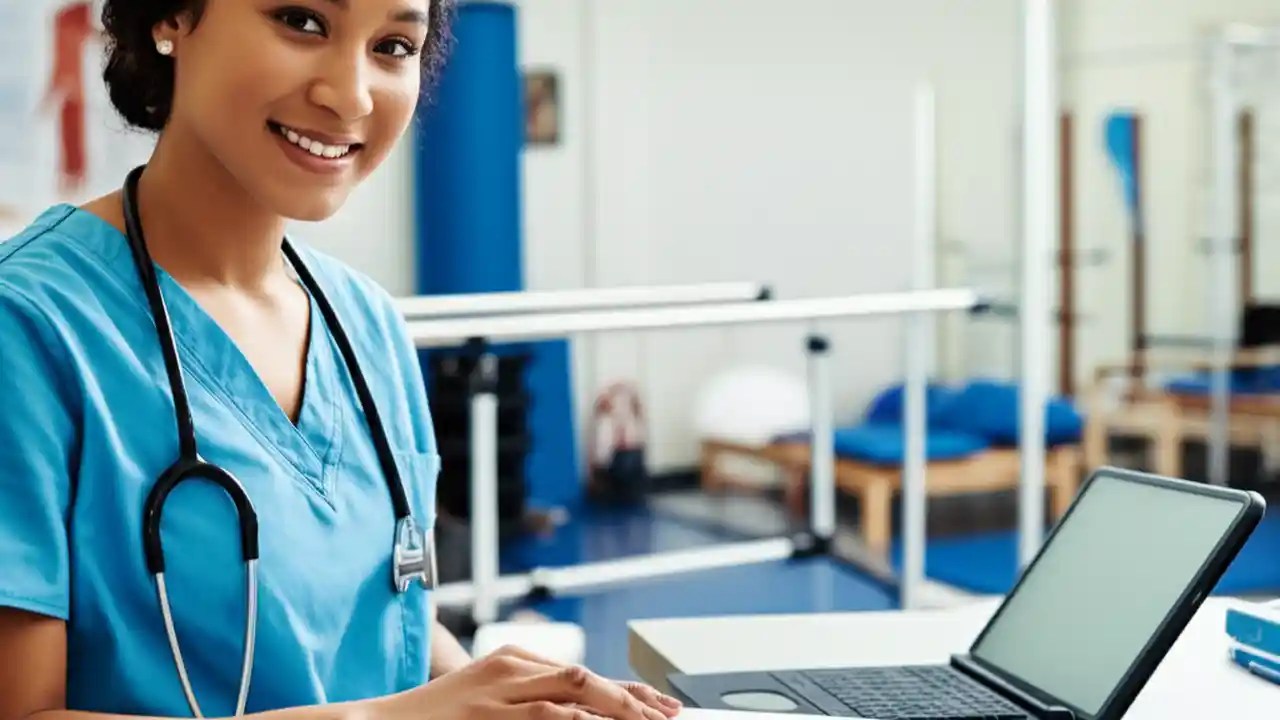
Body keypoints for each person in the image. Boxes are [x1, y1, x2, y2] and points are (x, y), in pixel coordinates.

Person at [0, 2, 683, 720]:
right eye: (301, 20)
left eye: (393, 45)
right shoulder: (31, 324)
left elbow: (394, 627)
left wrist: (516, 695)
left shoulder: (366, 325)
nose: (351, 95)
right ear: (172, 16)